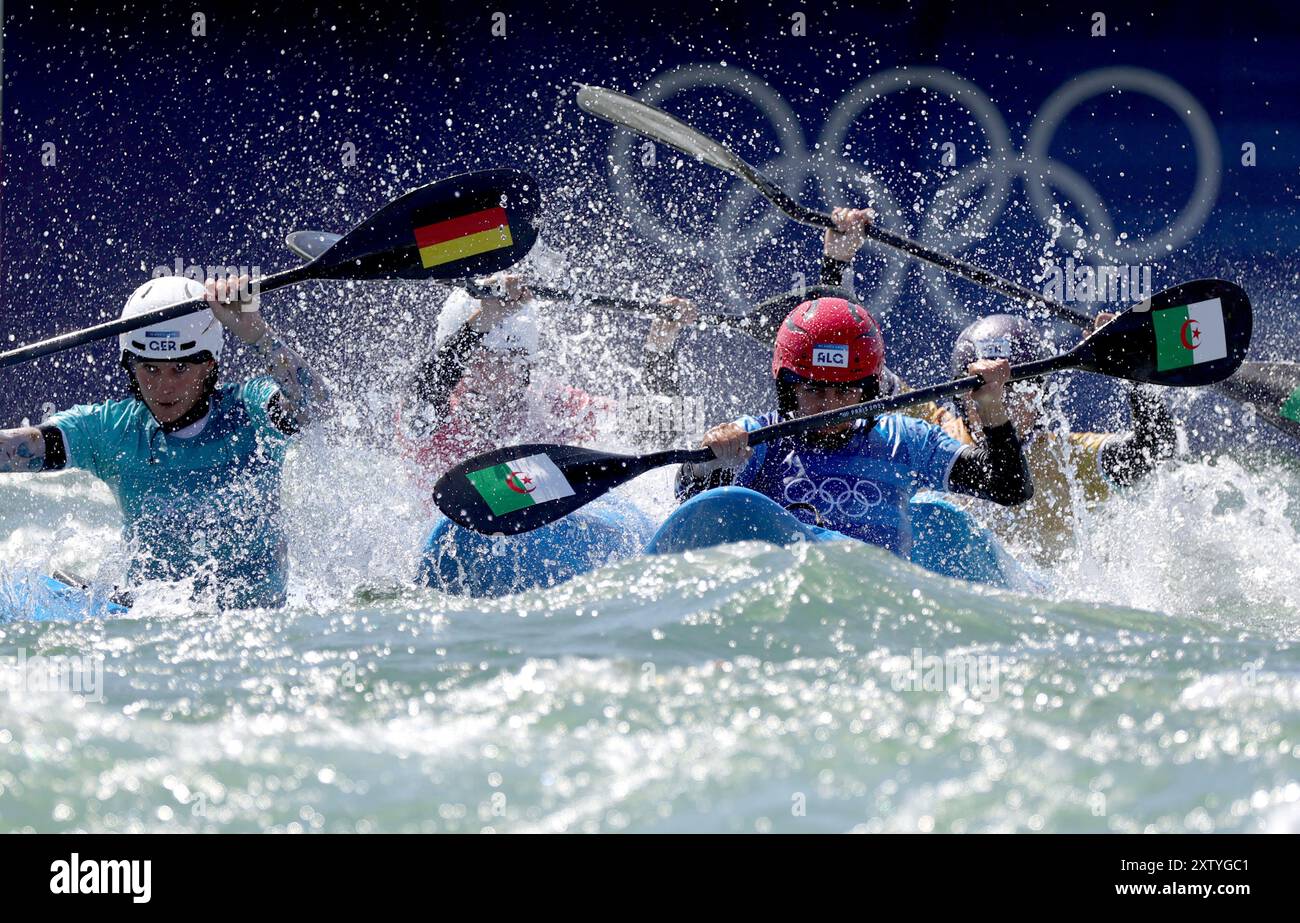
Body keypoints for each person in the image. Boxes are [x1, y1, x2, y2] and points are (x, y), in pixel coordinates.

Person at [0, 274, 328, 609]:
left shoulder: (251, 410)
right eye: (150, 370)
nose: (163, 387)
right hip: (152, 620)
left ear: (210, 365)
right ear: (130, 366)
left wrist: (258, 334)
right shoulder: (110, 430)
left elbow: (317, 409)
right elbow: (16, 448)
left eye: (180, 368)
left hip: (257, 622)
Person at [673, 293, 1033, 560]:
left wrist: (991, 407)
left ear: (869, 390)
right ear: (788, 389)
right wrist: (709, 460)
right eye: (813, 390)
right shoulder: (757, 439)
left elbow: (1009, 488)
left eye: (845, 391)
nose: (829, 405)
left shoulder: (905, 440)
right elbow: (689, 506)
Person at [401, 272, 698, 490]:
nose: (495, 370)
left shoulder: (548, 402)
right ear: (461, 354)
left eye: (510, 357)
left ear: (528, 362)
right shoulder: (432, 413)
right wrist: (483, 320)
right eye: (481, 353)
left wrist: (661, 346)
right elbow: (425, 387)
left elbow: (659, 430)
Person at [928, 312, 1177, 562]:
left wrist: (1133, 371)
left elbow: (1154, 449)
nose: (1001, 401)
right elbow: (886, 379)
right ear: (961, 397)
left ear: (1039, 397)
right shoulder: (932, 435)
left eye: (1014, 388)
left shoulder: (1068, 459)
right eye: (982, 387)